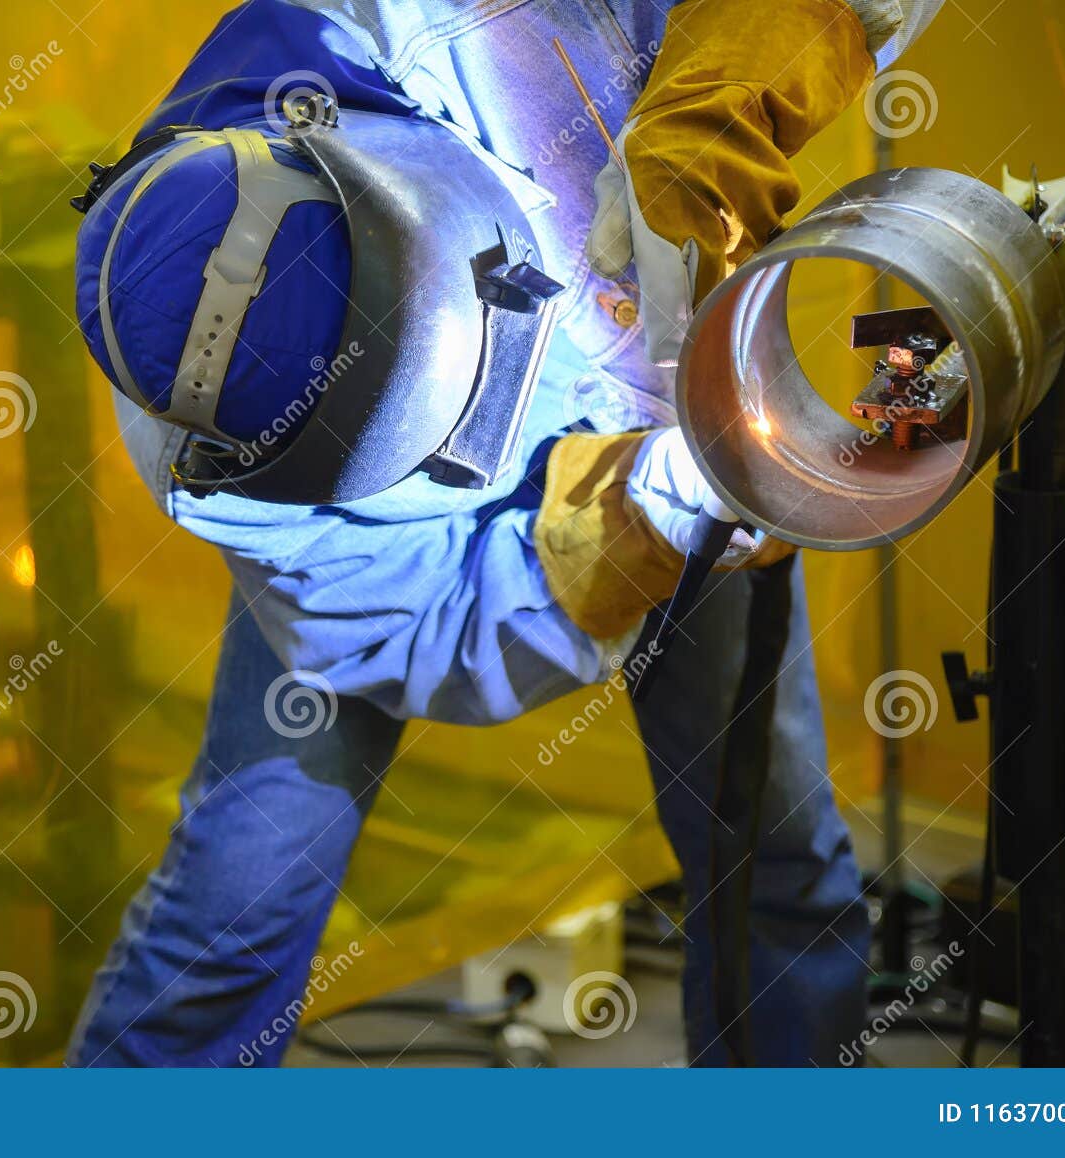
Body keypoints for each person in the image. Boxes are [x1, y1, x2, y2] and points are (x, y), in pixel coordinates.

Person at [66, 0, 943, 1067]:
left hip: (668, 407)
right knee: (240, 896)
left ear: (360, 148)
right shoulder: (225, 458)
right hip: (561, 509)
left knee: (774, 853)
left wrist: (747, 57)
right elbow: (422, 636)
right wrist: (650, 513)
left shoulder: (456, 25)